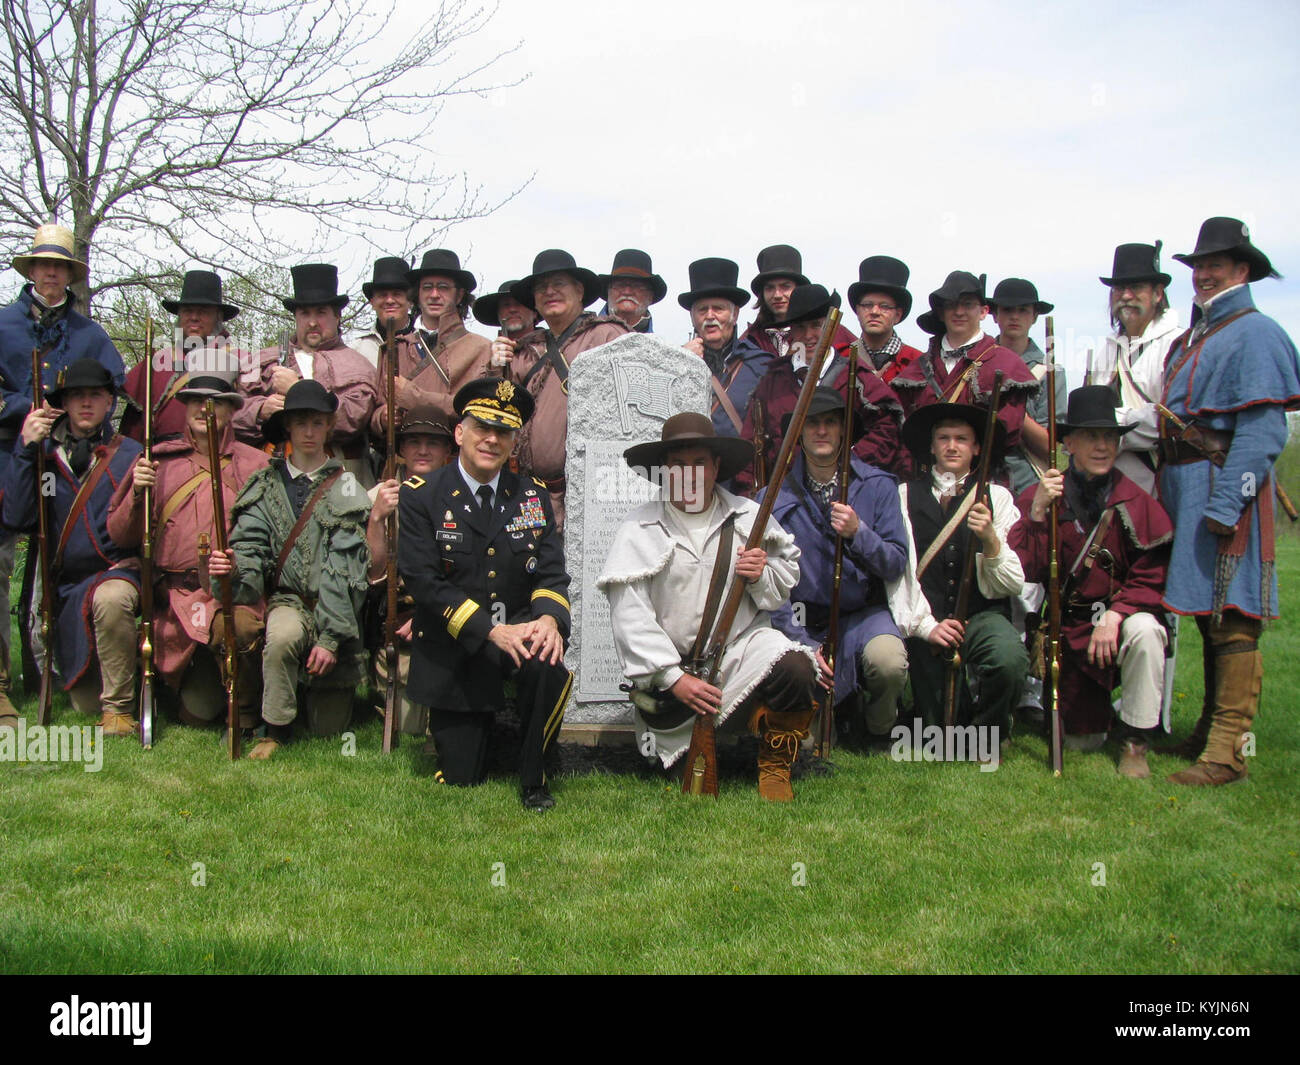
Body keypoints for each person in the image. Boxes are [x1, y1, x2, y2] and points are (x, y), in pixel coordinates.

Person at [598, 413, 819, 801]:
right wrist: (674, 679)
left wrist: (761, 574)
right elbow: (630, 619)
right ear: (664, 471)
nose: (690, 473)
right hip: (673, 677)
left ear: (716, 467)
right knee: (689, 777)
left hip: (739, 656)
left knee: (794, 668)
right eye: (678, 465)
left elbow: (778, 593)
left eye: (699, 462)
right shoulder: (637, 529)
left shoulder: (751, 517)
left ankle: (775, 767)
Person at [1158, 217, 1300, 786]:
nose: (1206, 275)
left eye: (1218, 265)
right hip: (1184, 487)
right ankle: (1206, 733)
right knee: (1205, 619)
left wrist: (1226, 503)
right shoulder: (1196, 335)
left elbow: (1264, 433)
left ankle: (1228, 753)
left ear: (1244, 270)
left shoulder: (1255, 333)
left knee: (1234, 618)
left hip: (1221, 485)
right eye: (1199, 267)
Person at [398, 379, 572, 811]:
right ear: (460, 432)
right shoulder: (423, 496)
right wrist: (491, 631)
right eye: (482, 427)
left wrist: (549, 620)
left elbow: (550, 571)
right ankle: (476, 736)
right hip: (456, 644)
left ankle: (535, 775)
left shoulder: (530, 495)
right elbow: (424, 582)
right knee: (462, 778)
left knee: (547, 661)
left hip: (516, 634)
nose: (492, 439)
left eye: (504, 432)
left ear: (514, 441)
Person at [1007, 386, 1172, 777]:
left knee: (1147, 631)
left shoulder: (1137, 502)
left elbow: (1152, 576)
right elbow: (1023, 569)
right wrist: (1036, 511)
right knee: (1084, 740)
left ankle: (1135, 741)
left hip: (1115, 626)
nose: (1103, 447)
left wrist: (1116, 615)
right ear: (1069, 443)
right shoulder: (1042, 495)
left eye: (1110, 437)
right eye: (1092, 437)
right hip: (1068, 631)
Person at [0, 224, 125, 726]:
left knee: (62, 563)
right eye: (43, 265)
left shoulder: (89, 334)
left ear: (70, 275)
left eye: (60, 267)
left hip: (70, 465)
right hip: (11, 456)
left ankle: (53, 665)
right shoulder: (3, 324)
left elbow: (113, 387)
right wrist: (25, 410)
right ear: (31, 270)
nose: (51, 273)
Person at [208, 380, 372, 759]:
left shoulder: (347, 487)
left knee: (328, 728)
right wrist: (232, 571)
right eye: (301, 423)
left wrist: (331, 639)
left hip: (336, 613)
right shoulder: (263, 485)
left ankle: (309, 692)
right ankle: (274, 727)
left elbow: (346, 572)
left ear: (329, 426)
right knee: (280, 635)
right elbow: (250, 552)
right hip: (289, 602)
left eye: (317, 423)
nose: (309, 432)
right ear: (288, 428)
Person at [108, 371, 269, 731]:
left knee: (241, 628)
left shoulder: (256, 465)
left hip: (227, 592)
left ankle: (245, 708)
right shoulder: (156, 462)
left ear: (231, 411)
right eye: (196, 401)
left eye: (214, 403)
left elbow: (271, 536)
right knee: (197, 715)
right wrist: (137, 493)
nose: (203, 409)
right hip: (172, 598)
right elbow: (120, 534)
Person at [1, 359, 141, 733]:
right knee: (81, 704)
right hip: (67, 584)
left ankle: (119, 710)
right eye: (76, 395)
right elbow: (18, 515)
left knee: (111, 599)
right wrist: (25, 448)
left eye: (95, 395)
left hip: (116, 574)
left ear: (110, 402)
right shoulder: (45, 457)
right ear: (63, 403)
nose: (85, 403)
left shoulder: (129, 454)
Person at [766, 388, 909, 748]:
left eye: (831, 422)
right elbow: (769, 585)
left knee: (888, 662)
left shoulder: (879, 487)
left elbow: (894, 563)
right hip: (800, 621)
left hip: (862, 615)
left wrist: (860, 532)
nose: (822, 431)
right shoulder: (771, 497)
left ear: (844, 430)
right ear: (799, 432)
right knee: (806, 744)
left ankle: (876, 728)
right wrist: (799, 642)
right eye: (812, 423)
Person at [887, 402, 1027, 747]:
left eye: (962, 439)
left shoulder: (999, 498)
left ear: (976, 447)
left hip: (981, 615)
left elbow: (1012, 583)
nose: (952, 446)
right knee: (938, 734)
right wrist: (927, 626)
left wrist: (991, 540)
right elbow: (900, 573)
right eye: (944, 438)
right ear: (932, 446)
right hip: (928, 618)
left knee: (1009, 659)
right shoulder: (904, 496)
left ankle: (991, 731)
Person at [495, 250, 629, 527]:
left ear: (579, 291)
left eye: (558, 284)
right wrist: (496, 365)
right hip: (531, 491)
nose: (549, 292)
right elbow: (500, 403)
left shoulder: (607, 335)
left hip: (592, 492)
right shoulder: (526, 350)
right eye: (541, 288)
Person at [740, 284, 901, 488]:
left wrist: (848, 465)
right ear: (791, 332)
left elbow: (888, 427)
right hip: (788, 501)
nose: (808, 335)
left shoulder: (854, 376)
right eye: (800, 327)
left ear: (829, 326)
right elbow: (751, 445)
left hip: (846, 497)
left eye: (816, 325)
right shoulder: (771, 381)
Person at [234, 262, 379, 488]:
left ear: (337, 316)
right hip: (274, 478)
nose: (312, 322)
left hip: (342, 478)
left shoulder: (357, 365)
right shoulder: (262, 360)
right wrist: (260, 410)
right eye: (305, 313)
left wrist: (297, 391)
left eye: (321, 313)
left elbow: (353, 419)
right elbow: (232, 413)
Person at [365, 410, 455, 741]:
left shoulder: (462, 497)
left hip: (447, 617)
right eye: (413, 442)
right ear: (401, 449)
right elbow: (372, 573)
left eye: (432, 443)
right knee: (411, 726)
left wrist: (428, 616)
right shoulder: (379, 496)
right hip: (397, 622)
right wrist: (376, 519)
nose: (422, 450)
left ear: (448, 450)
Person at [892, 271, 1037, 475]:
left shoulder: (1007, 364)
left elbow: (1006, 435)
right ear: (941, 313)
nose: (959, 312)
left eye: (968, 304)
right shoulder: (916, 370)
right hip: (923, 481)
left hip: (982, 480)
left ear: (984, 311)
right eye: (951, 305)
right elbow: (903, 432)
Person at [1089, 241, 1181, 493]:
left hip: (1161, 484)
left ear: (1158, 293)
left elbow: (1173, 418)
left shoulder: (1178, 344)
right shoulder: (1108, 350)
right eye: (1119, 288)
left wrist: (1109, 425)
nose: (1126, 295)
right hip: (1109, 485)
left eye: (1136, 287)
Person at [372, 249, 492, 439]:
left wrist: (412, 397)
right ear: (417, 294)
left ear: (459, 295)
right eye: (427, 287)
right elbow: (377, 406)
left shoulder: (482, 349)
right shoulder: (395, 348)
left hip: (453, 460)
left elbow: (476, 410)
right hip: (406, 460)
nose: (434, 294)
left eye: (443, 287)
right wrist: (382, 418)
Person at [120, 269, 246, 444]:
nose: (194, 317)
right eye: (187, 311)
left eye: (203, 311)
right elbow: (133, 432)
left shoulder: (240, 360)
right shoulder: (156, 362)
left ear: (218, 317)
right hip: (162, 461)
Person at [679, 257, 772, 440]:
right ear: (692, 316)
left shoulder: (762, 366)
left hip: (744, 467)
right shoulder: (676, 362)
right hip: (693, 467)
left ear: (735, 314)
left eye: (719, 309)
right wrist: (680, 362)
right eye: (702, 309)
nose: (710, 316)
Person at [988, 277, 1066, 496]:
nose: (1015, 316)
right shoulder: (976, 364)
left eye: (1023, 310)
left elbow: (1051, 447)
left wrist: (1009, 408)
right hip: (982, 479)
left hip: (1028, 483)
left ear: (1034, 317)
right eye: (1007, 309)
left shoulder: (1051, 372)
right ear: (995, 315)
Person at [738, 244, 856, 358]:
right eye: (770, 288)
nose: (777, 295)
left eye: (785, 286)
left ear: (798, 288)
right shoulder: (750, 339)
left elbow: (860, 369)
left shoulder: (832, 332)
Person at [846, 255, 924, 388]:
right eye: (867, 305)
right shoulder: (839, 359)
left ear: (898, 315)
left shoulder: (918, 363)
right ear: (857, 311)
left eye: (884, 306)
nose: (874, 312)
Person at [349, 256, 416, 369]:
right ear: (372, 302)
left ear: (410, 301)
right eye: (382, 295)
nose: (389, 300)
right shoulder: (357, 350)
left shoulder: (425, 344)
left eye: (397, 294)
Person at [598, 249, 665, 333]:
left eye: (636, 286)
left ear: (650, 295)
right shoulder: (581, 336)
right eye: (620, 285)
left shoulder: (659, 346)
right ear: (608, 291)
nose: (627, 292)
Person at [472, 280, 538, 340]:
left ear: (534, 312)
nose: (512, 309)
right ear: (498, 314)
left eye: (518, 304)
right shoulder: (487, 351)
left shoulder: (547, 347)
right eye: (506, 305)